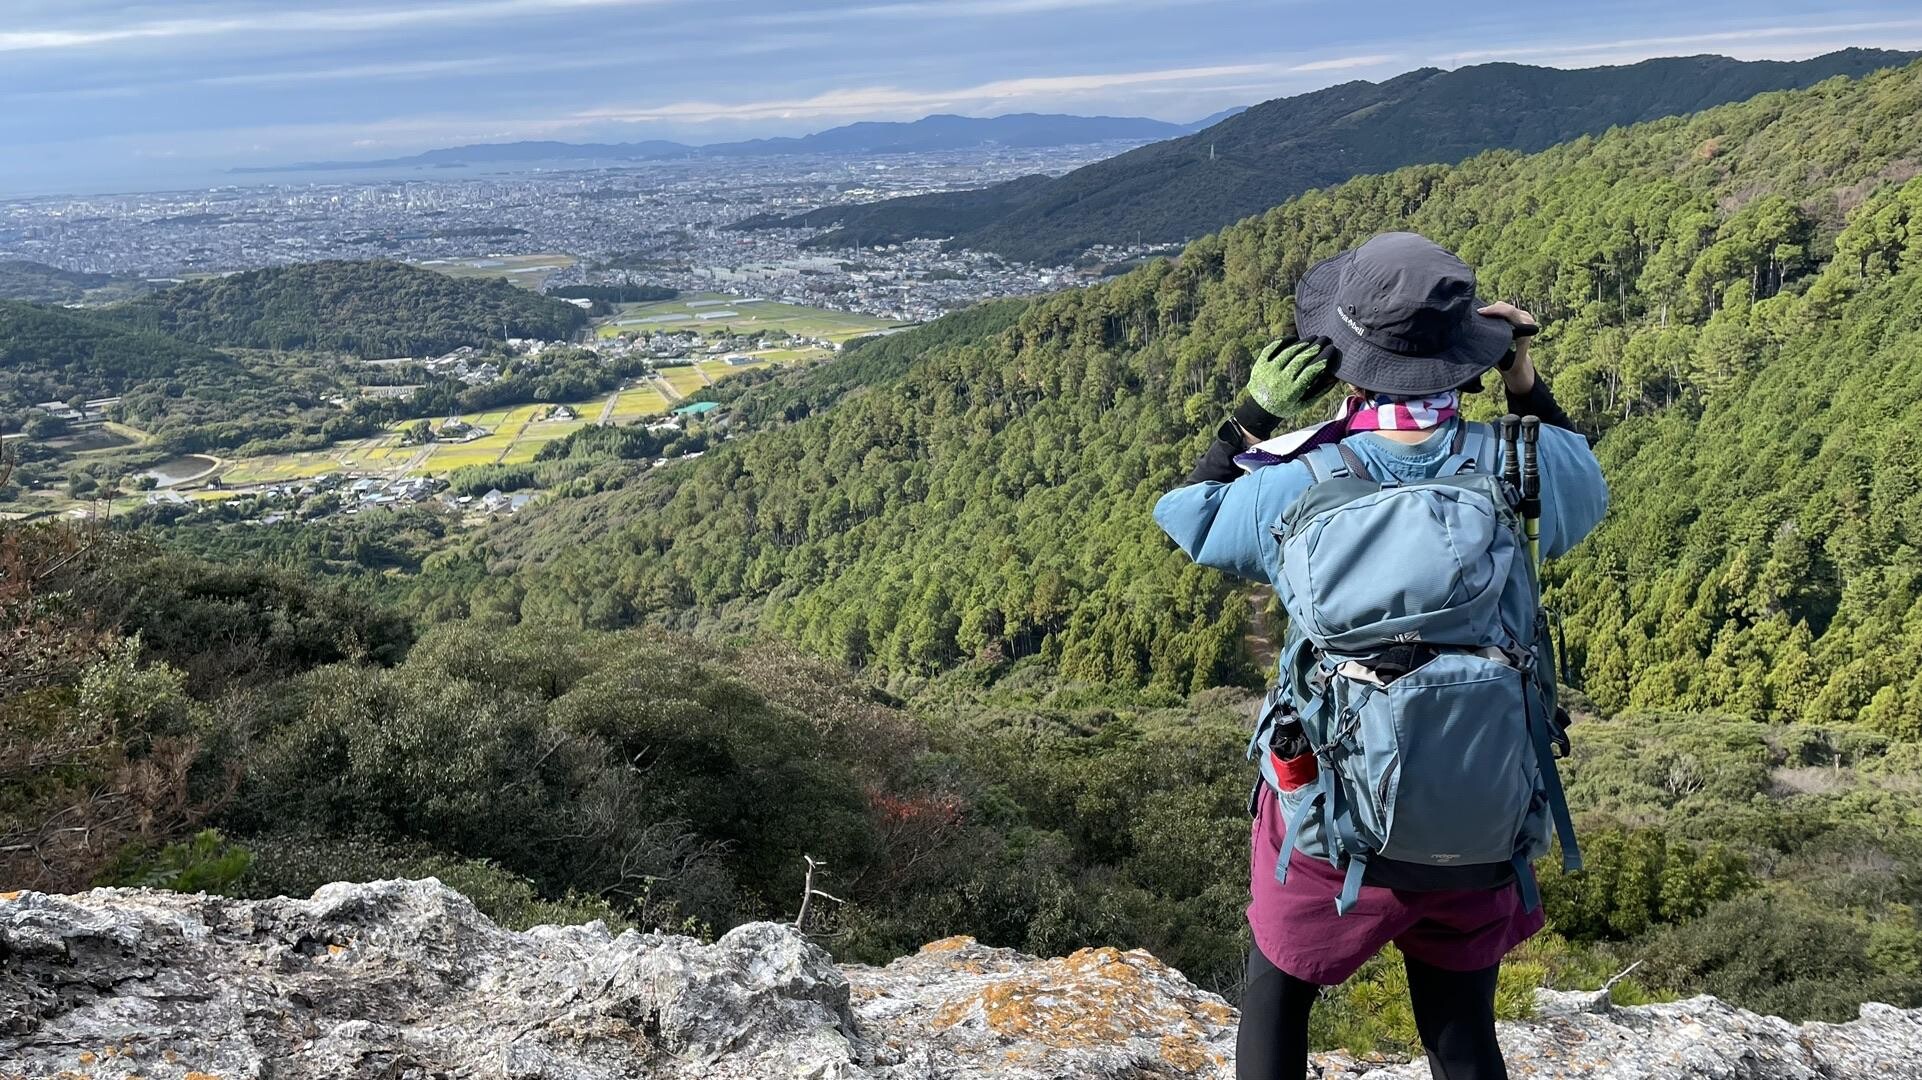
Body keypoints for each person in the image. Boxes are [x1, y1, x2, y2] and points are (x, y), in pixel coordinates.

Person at [1154, 232, 1608, 1080]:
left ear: (1345, 359)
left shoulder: (1302, 473)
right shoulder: (1524, 462)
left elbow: (1190, 517)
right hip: (1481, 801)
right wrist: (1520, 377)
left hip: (1330, 805)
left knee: (1277, 994)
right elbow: (1588, 477)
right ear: (1469, 351)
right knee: (1461, 1025)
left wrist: (1251, 415)